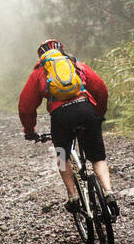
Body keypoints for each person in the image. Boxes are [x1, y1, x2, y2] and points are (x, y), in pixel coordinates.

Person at [18, 38, 119, 220]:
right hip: (86, 110)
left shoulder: (39, 73)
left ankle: (73, 197)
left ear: (41, 56)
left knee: (62, 154)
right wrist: (99, 114)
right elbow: (101, 89)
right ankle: (108, 192)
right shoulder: (77, 66)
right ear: (62, 51)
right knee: (97, 157)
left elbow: (26, 106)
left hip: (61, 116)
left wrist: (29, 130)